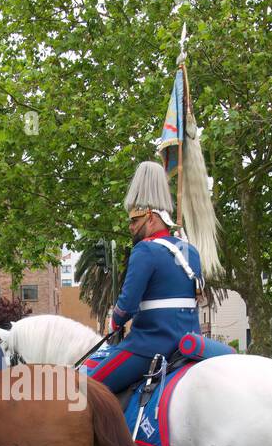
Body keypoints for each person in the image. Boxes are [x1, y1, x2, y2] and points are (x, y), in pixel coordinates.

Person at [79, 160, 202, 393]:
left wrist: (114, 322)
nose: (131, 227)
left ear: (152, 218)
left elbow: (127, 305)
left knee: (87, 390)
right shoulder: (190, 251)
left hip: (151, 344)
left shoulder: (146, 249)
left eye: (135, 221)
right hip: (191, 343)